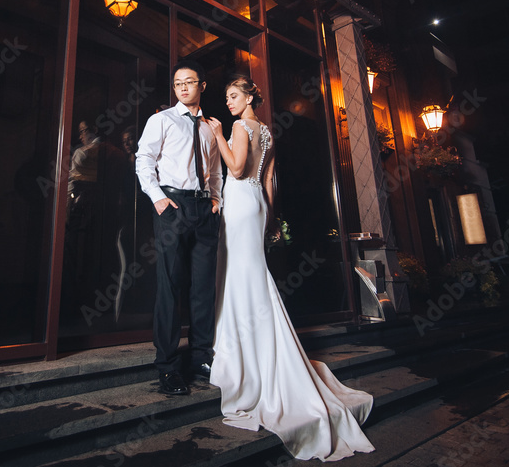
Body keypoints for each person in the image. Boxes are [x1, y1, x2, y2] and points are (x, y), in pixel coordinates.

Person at [204, 75, 375, 462]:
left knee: (238, 275)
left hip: (240, 204)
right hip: (257, 207)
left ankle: (240, 350)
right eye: (227, 98)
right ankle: (256, 342)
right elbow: (267, 180)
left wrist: (217, 136)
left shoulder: (240, 127)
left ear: (249, 97)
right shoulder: (267, 132)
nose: (228, 102)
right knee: (251, 275)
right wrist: (269, 219)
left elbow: (236, 169)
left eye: (233, 96)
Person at [135, 59, 222, 396]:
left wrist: (216, 200)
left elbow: (215, 169)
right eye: (177, 83)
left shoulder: (210, 127)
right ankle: (168, 367)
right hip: (173, 206)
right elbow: (144, 159)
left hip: (204, 209)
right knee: (170, 286)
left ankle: (201, 358)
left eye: (189, 82)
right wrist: (158, 198)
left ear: (202, 86)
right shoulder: (162, 119)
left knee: (203, 288)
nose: (183, 87)